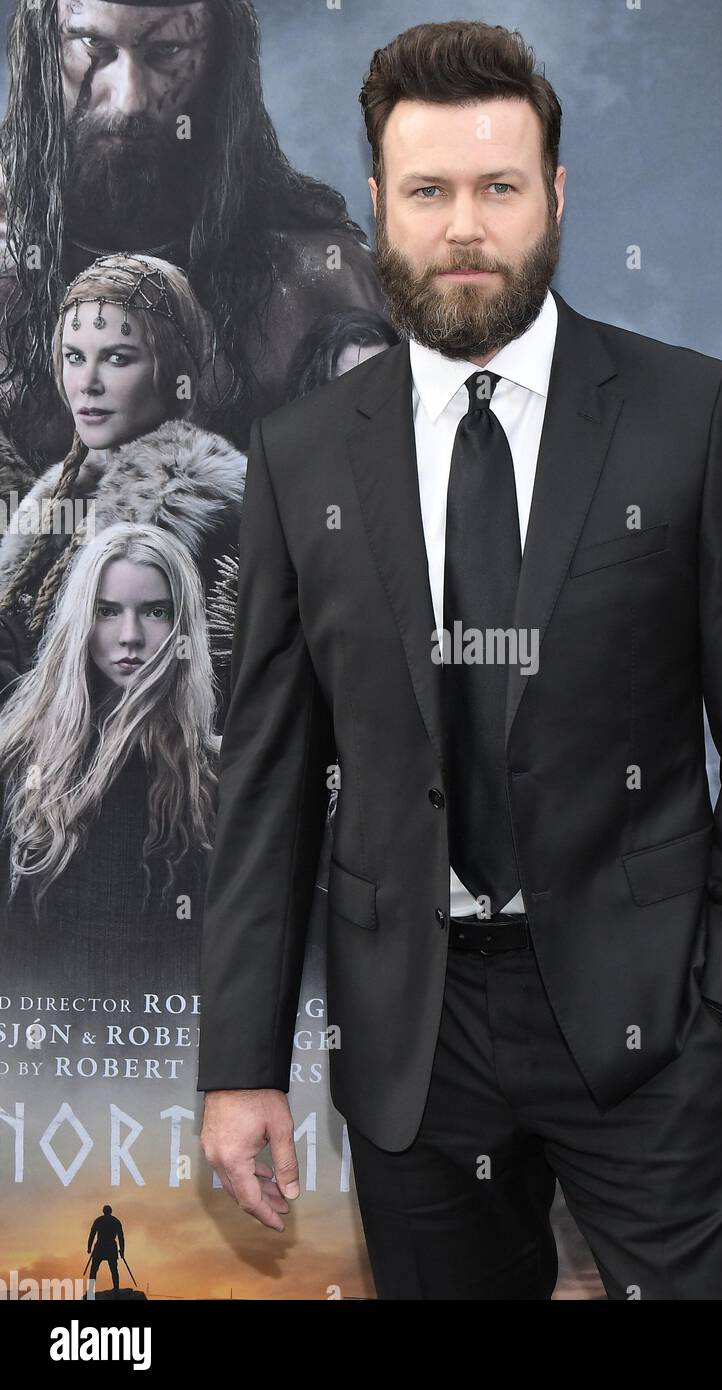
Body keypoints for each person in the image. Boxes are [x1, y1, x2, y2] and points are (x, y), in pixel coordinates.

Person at [196, 20, 722, 1300]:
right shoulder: (303, 456)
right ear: (378, 203)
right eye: (428, 191)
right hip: (412, 1044)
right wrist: (240, 1063)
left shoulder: (693, 417)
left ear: (557, 193)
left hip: (651, 1027)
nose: (465, 227)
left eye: (499, 186)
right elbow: (266, 782)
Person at [0, 0, 385, 469]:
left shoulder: (318, 285)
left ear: (219, 60)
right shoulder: (10, 266)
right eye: (94, 46)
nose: (130, 101)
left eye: (167, 51)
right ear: (42, 49)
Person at [0, 253, 245, 722]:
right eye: (74, 358)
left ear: (173, 369)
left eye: (117, 358)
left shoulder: (205, 510)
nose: (87, 384)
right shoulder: (56, 500)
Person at [0, 521, 220, 1001]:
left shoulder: (215, 777)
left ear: (183, 624)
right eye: (106, 611)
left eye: (156, 612)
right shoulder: (17, 758)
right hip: (35, 1048)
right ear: (80, 618)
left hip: (167, 1049)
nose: (130, 637)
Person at [87, 1205, 125, 1297]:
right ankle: (116, 1290)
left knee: (94, 1270)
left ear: (103, 1211)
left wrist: (89, 1247)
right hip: (110, 1247)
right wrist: (122, 1250)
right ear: (110, 1211)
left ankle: (91, 1291)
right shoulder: (116, 1221)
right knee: (114, 1270)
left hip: (100, 1247)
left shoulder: (98, 1220)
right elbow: (121, 1237)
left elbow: (92, 1234)